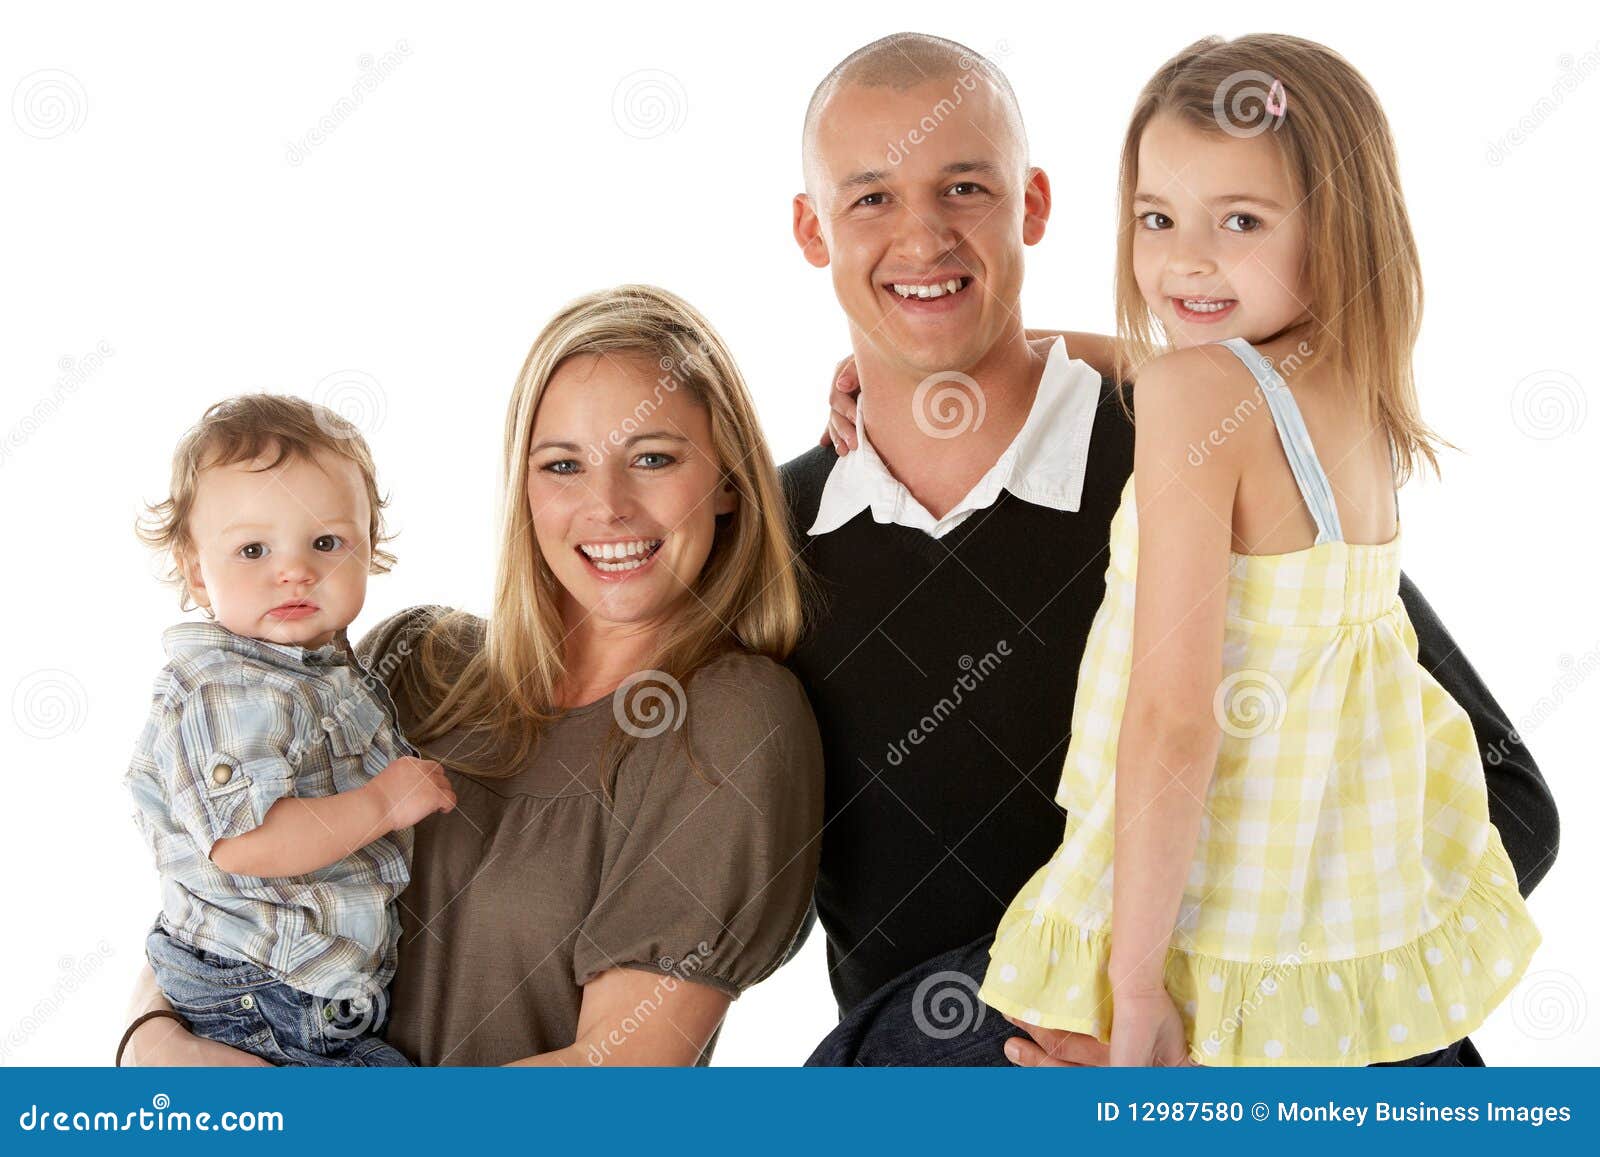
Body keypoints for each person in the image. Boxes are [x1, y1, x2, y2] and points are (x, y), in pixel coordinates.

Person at [782, 32, 1558, 1067]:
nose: (921, 238)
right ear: (812, 227)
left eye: (964, 187)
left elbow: (1508, 799)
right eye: (870, 198)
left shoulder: (1188, 447)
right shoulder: (768, 530)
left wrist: (1220, 1021)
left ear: (1035, 206)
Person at [121, 285, 824, 1067]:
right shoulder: (408, 662)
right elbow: (226, 894)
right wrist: (149, 1043)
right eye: (563, 464)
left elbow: (623, 1076)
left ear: (729, 480)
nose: (608, 505)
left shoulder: (728, 723)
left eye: (653, 458)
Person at [127, 393, 455, 1066]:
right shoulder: (228, 687)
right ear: (196, 570)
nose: (295, 569)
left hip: (297, 982)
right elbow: (247, 841)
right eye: (253, 548)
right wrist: (382, 805)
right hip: (257, 990)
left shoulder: (320, 671)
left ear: (370, 547)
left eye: (326, 542)